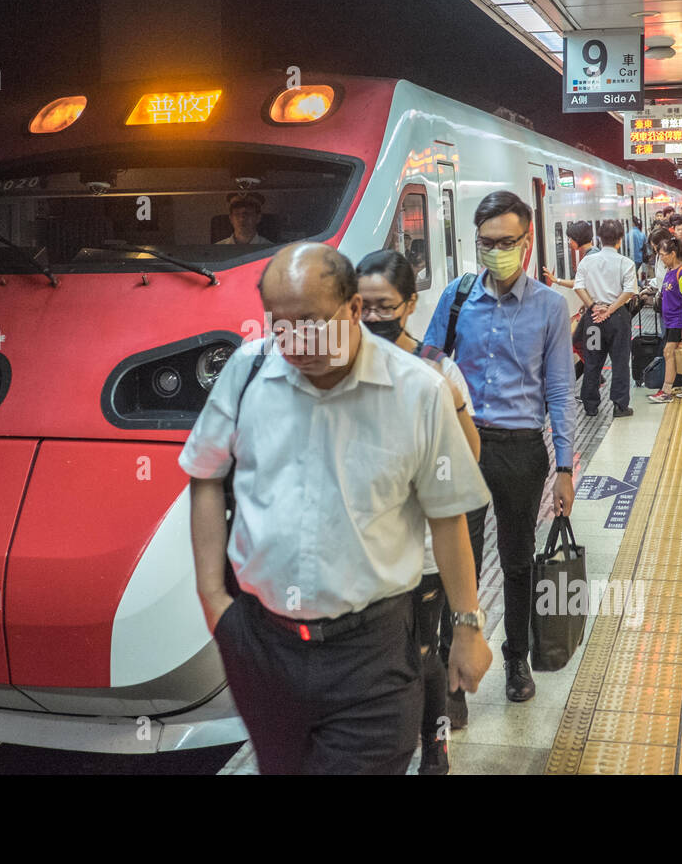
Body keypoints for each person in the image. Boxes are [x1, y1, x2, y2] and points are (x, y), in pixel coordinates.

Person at [179, 242, 492, 774]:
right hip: (262, 645)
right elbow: (205, 475)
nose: (296, 340)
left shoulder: (418, 390)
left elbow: (447, 516)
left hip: (371, 656)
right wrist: (214, 600)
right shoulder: (247, 373)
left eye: (312, 322)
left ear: (353, 309)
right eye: (281, 323)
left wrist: (468, 626)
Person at [422, 191, 576, 705]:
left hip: (521, 449)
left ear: (527, 244)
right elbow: (428, 366)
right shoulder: (457, 297)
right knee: (456, 560)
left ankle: (516, 658)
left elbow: (558, 389)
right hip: (463, 445)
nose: (496, 252)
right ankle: (455, 671)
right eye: (486, 243)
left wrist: (566, 468)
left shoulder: (551, 307)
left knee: (517, 559)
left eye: (506, 242)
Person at [356, 249, 481, 774]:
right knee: (376, 661)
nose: (373, 318)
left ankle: (435, 744)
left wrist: (450, 401)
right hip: (368, 549)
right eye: (363, 307)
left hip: (425, 549)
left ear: (409, 304)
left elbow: (470, 454)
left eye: (385, 306)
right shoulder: (342, 365)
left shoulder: (437, 367)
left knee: (424, 652)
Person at [574, 220, 639, 418]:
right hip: (617, 319)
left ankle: (590, 405)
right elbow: (629, 292)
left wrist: (594, 307)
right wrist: (610, 309)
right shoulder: (625, 263)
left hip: (593, 319)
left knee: (592, 361)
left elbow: (578, 287)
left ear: (599, 239)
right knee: (620, 362)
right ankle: (620, 406)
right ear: (620, 240)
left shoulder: (587, 261)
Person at [648, 237, 682, 403]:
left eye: (663, 255)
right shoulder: (670, 272)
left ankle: (666, 391)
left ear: (673, 254)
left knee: (669, 352)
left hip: (679, 322)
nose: (661, 258)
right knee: (680, 353)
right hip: (672, 321)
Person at [540, 220, 595, 289]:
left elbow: (580, 284)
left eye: (570, 239)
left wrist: (556, 280)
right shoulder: (593, 253)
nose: (569, 242)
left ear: (578, 238)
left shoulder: (591, 258)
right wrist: (556, 280)